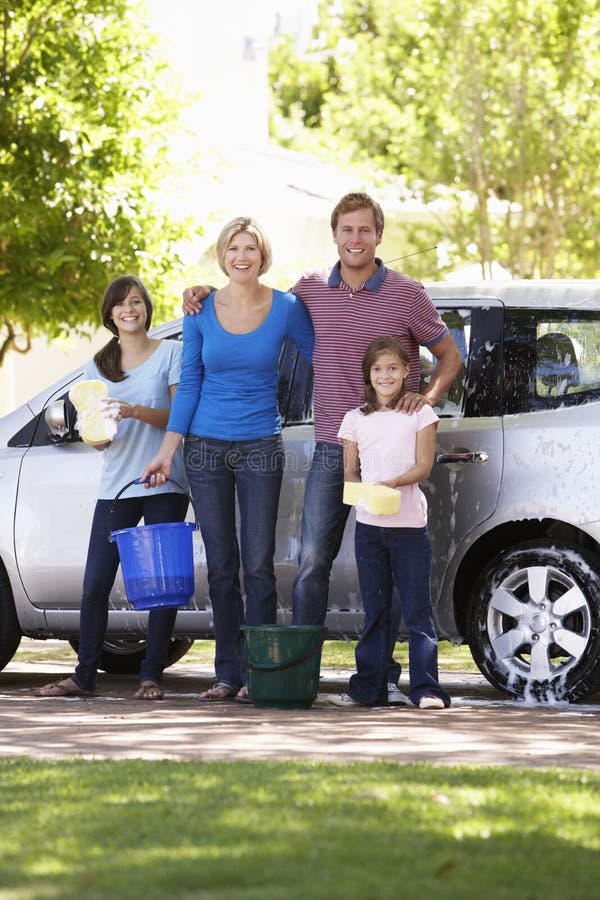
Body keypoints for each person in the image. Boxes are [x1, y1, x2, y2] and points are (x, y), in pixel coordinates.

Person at [182, 192, 461, 702]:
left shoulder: (407, 293)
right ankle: (297, 675)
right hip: (333, 448)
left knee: (392, 569)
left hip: (392, 457)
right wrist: (202, 291)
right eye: (346, 230)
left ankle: (383, 676)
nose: (355, 239)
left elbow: (449, 355)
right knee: (312, 562)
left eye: (365, 230)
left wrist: (429, 395)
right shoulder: (308, 290)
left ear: (379, 234)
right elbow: (252, 300)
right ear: (335, 235)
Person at [142, 216, 314, 700]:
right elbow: (191, 381)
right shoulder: (199, 310)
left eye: (251, 249)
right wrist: (168, 449)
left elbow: (324, 358)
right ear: (223, 255)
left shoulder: (286, 307)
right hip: (204, 448)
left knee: (257, 563)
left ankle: (259, 670)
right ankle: (227, 673)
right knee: (220, 565)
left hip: (261, 443)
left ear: (263, 256)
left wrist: (371, 408)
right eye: (234, 248)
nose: (242, 256)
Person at [37, 275, 188, 700]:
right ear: (110, 314)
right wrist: (100, 429)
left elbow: (179, 417)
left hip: (164, 481)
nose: (130, 309)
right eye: (121, 304)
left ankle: (151, 675)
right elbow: (96, 436)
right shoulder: (98, 366)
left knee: (162, 584)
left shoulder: (171, 354)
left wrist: (134, 410)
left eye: (137, 302)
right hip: (116, 483)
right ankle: (84, 676)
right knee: (95, 584)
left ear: (146, 309)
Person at [332, 336, 451, 709]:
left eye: (393, 368)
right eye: (378, 369)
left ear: (406, 372)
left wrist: (393, 482)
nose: (385, 375)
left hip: (409, 528)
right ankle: (367, 689)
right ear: (368, 375)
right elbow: (350, 473)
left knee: (418, 611)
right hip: (369, 528)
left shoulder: (420, 414)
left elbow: (423, 467)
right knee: (376, 611)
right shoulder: (354, 420)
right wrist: (360, 491)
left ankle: (427, 690)